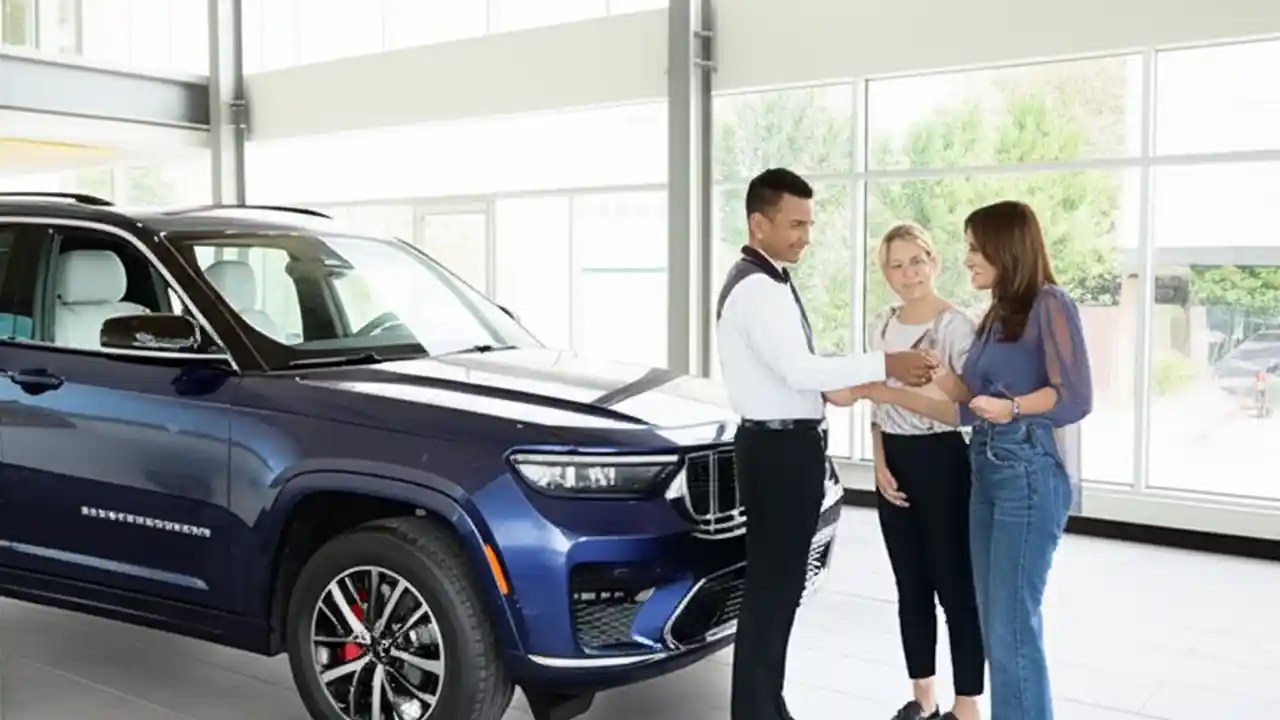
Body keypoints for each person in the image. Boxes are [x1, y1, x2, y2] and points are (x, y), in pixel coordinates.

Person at [850, 200, 1092, 720]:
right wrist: (921, 373)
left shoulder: (1050, 303)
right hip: (986, 469)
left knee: (1011, 626)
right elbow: (962, 407)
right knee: (994, 619)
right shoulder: (996, 314)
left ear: (1008, 249)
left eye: (975, 248)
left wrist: (1012, 408)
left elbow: (1075, 397)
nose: (968, 260)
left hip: (1026, 471)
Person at [715, 167, 937, 720]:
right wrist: (886, 364)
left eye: (809, 224)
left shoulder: (766, 280)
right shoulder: (757, 289)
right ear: (757, 223)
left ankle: (765, 706)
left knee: (777, 588)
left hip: (780, 447)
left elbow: (799, 375)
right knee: (774, 589)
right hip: (778, 452)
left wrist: (860, 386)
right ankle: (759, 712)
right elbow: (799, 369)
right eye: (795, 224)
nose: (805, 236)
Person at [866, 223, 984, 720]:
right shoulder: (881, 324)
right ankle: (922, 698)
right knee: (909, 585)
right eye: (896, 264)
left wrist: (899, 392)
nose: (908, 273)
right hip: (893, 462)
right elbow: (873, 401)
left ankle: (967, 705)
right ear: (885, 273)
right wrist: (878, 463)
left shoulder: (957, 325)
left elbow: (964, 408)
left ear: (934, 262)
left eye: (917, 261)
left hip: (941, 460)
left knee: (953, 585)